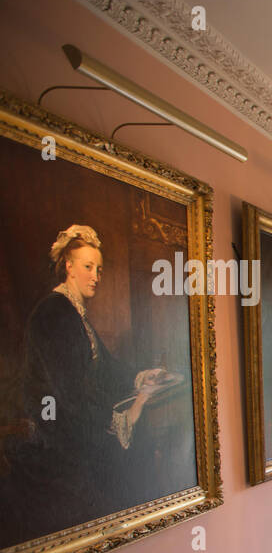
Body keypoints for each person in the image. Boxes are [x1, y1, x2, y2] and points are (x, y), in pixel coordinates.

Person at [19, 225, 166, 534]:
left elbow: (107, 368)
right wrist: (118, 419)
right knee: (133, 456)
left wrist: (142, 376)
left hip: (77, 424)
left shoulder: (75, 314)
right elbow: (67, 392)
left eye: (99, 268)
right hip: (58, 436)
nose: (96, 275)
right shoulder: (54, 313)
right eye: (88, 267)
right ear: (68, 267)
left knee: (143, 446)